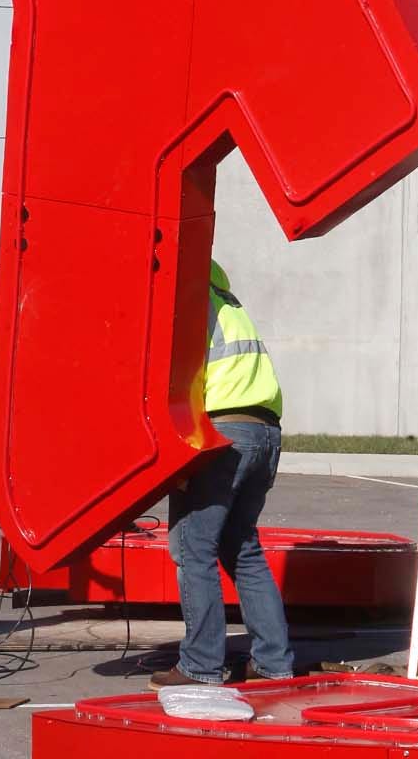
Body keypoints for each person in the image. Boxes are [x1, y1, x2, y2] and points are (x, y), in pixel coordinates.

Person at [150, 260, 295, 689]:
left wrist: (175, 460)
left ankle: (200, 666)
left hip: (224, 433)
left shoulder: (192, 303)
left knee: (194, 548)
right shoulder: (229, 302)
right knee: (242, 549)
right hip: (264, 432)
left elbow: (178, 381)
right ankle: (273, 663)